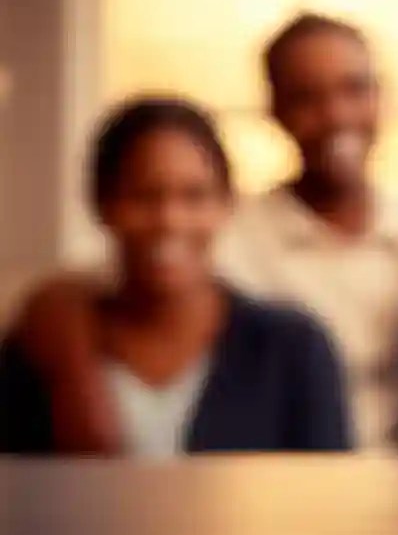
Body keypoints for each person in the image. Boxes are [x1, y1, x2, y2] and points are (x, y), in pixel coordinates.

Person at [11, 13, 398, 452]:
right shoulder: (230, 240)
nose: (335, 113)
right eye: (307, 96)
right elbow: (72, 295)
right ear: (275, 108)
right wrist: (77, 379)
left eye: (354, 88)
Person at [0, 98, 351, 455]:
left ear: (226, 203)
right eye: (143, 197)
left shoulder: (292, 348)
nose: (169, 220)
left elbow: (331, 497)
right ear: (101, 204)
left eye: (195, 196)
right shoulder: (49, 342)